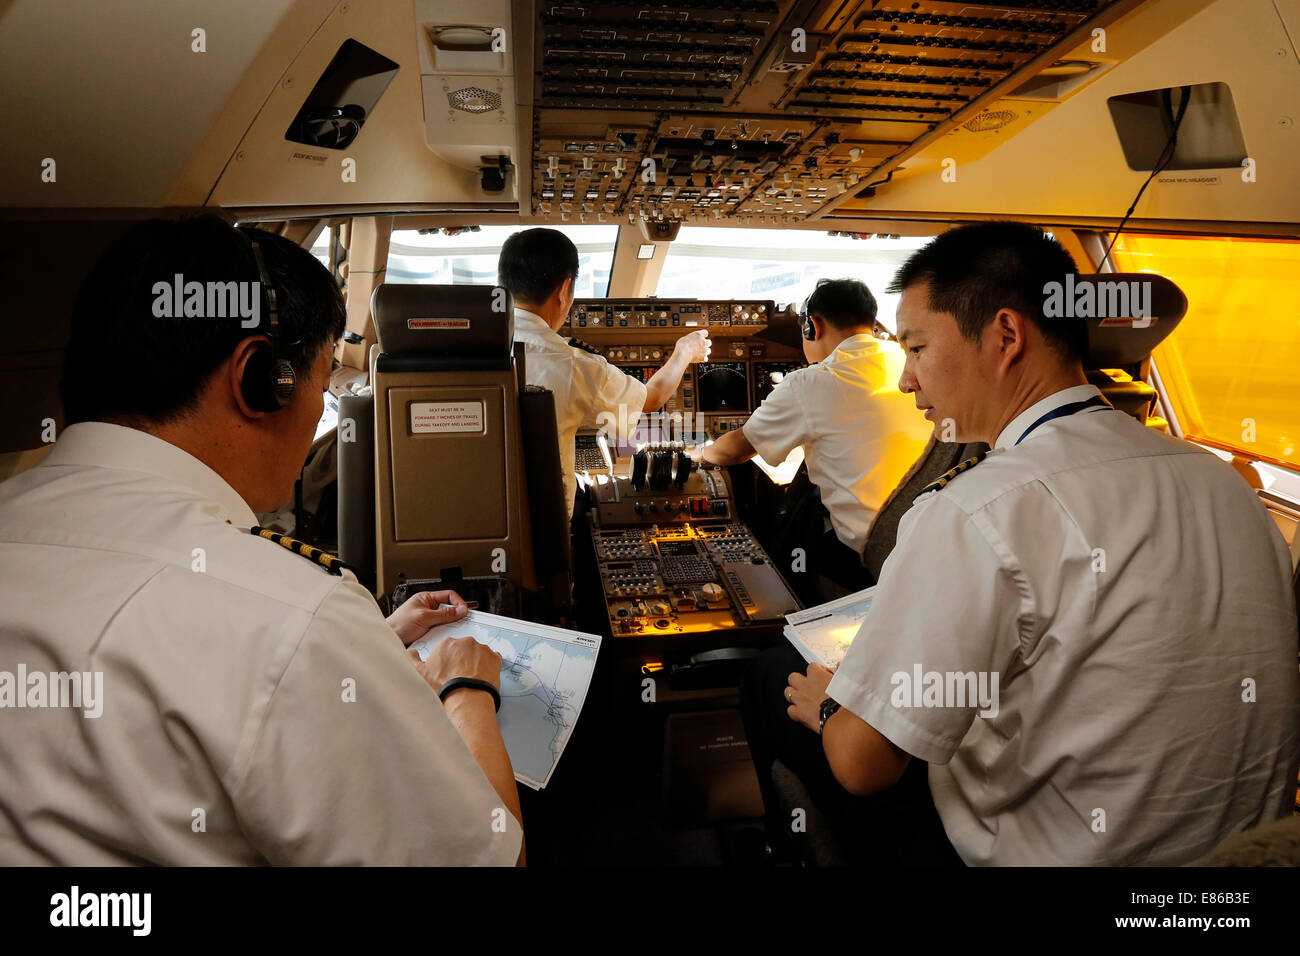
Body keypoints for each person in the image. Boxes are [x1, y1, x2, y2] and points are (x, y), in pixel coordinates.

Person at [746, 221, 1300, 866]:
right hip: (1242, 861)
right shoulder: (1226, 482)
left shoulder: (974, 508)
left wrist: (830, 710)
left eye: (918, 348)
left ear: (1006, 336)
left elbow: (863, 766)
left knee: (770, 677)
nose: (906, 380)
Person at [0, 216, 524, 865]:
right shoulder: (295, 615)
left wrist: (368, 652)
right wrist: (466, 689)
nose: (320, 409)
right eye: (324, 378)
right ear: (259, 378)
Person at [696, 278, 930, 565]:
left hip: (869, 550)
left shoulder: (810, 381)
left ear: (813, 326)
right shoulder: (908, 360)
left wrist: (697, 452)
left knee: (787, 522)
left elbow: (732, 451)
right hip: (925, 533)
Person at [498, 228, 711, 518]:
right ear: (564, 290)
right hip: (541, 531)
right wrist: (685, 351)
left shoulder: (459, 346)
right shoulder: (574, 365)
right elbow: (651, 399)